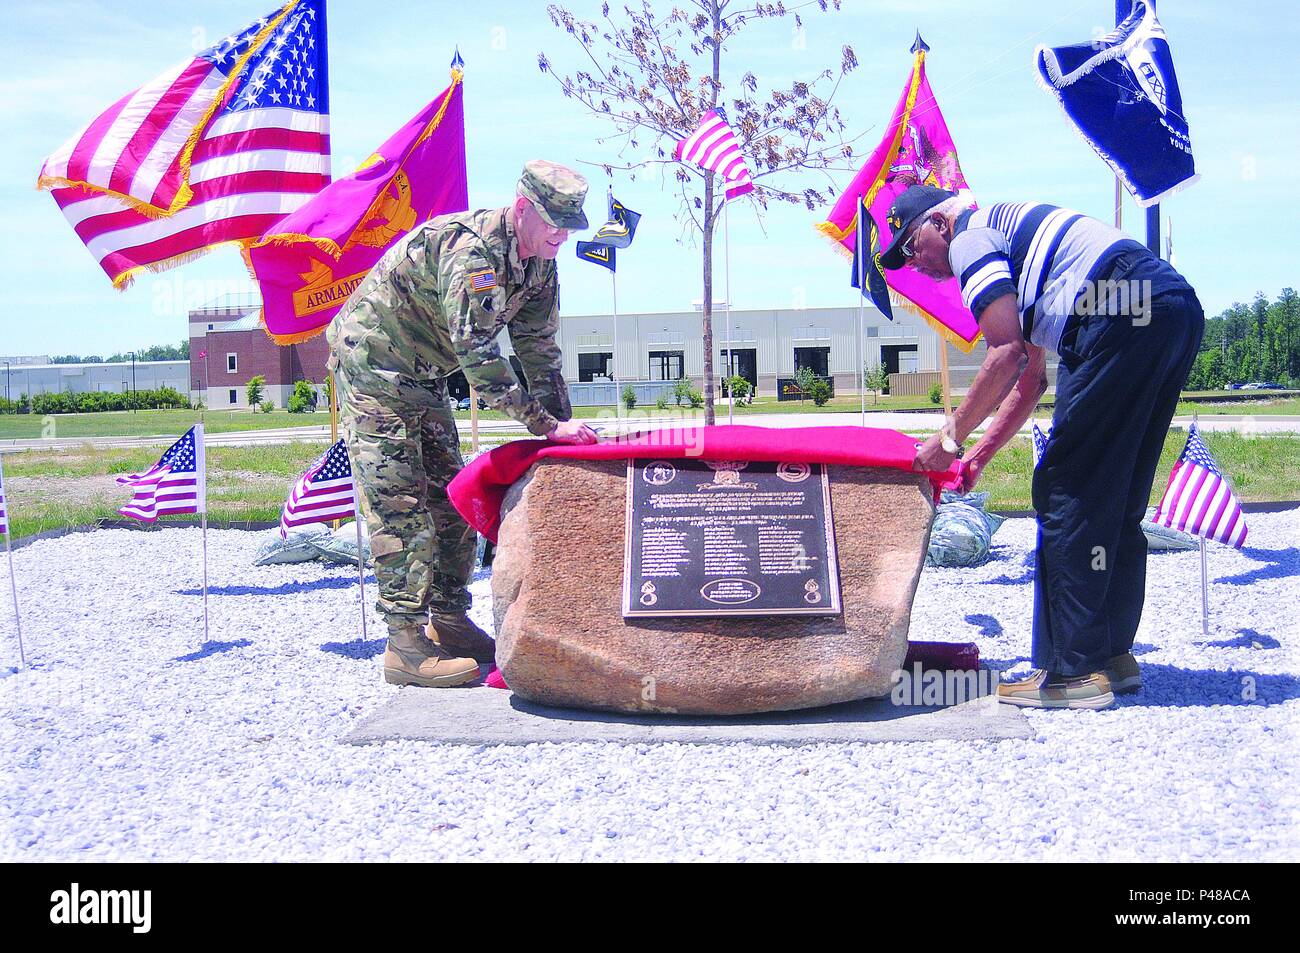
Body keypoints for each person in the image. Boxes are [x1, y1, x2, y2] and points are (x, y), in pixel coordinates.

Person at [886, 184, 1204, 710]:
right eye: (902, 257)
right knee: (1115, 493)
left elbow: (1004, 352)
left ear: (939, 223)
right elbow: (1030, 380)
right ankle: (1110, 657)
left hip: (1113, 315)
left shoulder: (970, 237)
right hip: (1168, 307)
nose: (913, 261)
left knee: (1064, 490)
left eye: (911, 243)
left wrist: (948, 439)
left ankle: (1071, 673)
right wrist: (978, 456)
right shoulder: (1022, 253)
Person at [327, 160, 599, 688]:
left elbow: (539, 351)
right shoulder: (470, 252)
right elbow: (478, 359)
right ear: (522, 209)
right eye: (552, 222)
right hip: (374, 366)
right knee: (401, 503)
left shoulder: (539, 263)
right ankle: (405, 645)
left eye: (570, 224)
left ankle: (448, 620)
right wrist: (543, 425)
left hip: (422, 374)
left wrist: (568, 433)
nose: (563, 234)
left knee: (450, 500)